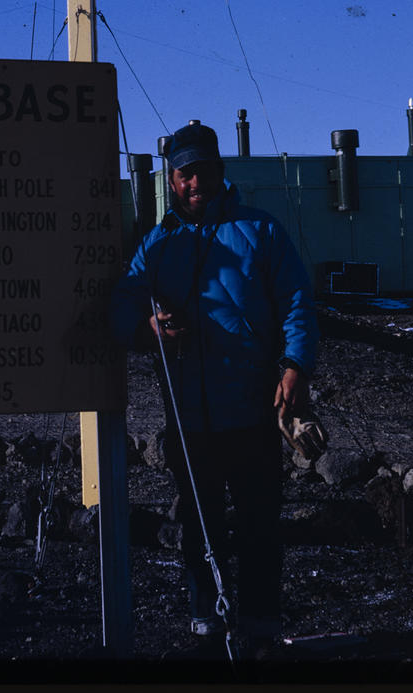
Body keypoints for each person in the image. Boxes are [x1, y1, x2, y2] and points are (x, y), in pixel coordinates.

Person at [109, 119, 319, 660]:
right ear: (171, 180)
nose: (194, 182)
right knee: (199, 530)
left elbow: (298, 300)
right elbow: (121, 306)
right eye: (184, 173)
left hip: (251, 413)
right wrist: (149, 328)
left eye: (202, 170)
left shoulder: (261, 232)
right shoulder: (155, 247)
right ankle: (207, 630)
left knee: (259, 528)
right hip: (190, 419)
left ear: (220, 173)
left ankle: (262, 629)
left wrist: (295, 365)